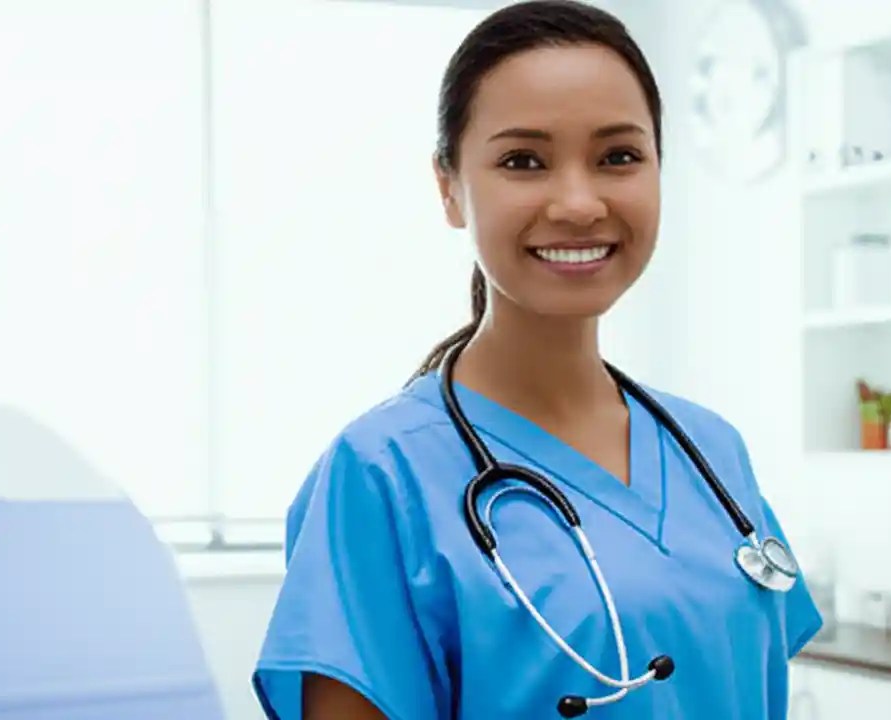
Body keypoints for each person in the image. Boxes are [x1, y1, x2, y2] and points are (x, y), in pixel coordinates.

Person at [251, 2, 822, 718]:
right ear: (449, 187)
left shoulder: (712, 450)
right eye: (524, 161)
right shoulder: (379, 475)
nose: (580, 203)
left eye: (618, 157)